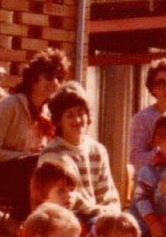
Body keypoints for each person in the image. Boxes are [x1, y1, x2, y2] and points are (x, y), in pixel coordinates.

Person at [0, 49, 71, 218]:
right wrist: (27, 156)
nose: (55, 83)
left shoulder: (45, 113)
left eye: (59, 78)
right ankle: (22, 221)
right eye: (49, 77)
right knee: (37, 163)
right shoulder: (9, 105)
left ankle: (54, 219)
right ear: (33, 79)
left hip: (21, 173)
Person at [39, 81, 120, 216]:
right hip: (67, 219)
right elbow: (66, 203)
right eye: (69, 115)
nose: (77, 120)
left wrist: (108, 216)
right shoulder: (52, 155)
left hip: (97, 219)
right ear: (59, 121)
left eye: (80, 113)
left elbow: (110, 199)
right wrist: (102, 216)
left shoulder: (98, 151)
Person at [128, 58, 166, 173]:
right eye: (161, 84)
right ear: (152, 88)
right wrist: (161, 151)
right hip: (153, 183)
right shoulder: (143, 118)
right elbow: (136, 159)